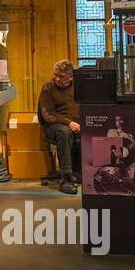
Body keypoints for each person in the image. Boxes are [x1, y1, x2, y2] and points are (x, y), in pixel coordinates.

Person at [38, 59, 80, 195]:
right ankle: (66, 177)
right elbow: (47, 114)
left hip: (77, 124)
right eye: (55, 75)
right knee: (64, 132)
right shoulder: (48, 88)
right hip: (55, 125)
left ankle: (84, 171)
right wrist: (69, 123)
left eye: (61, 76)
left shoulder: (78, 86)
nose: (57, 79)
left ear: (71, 76)